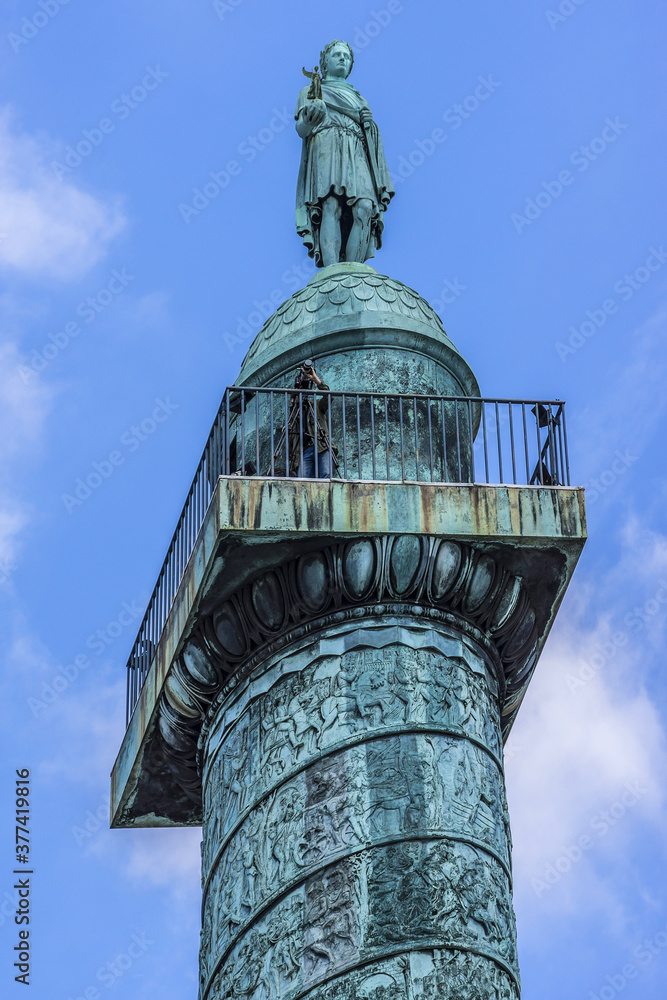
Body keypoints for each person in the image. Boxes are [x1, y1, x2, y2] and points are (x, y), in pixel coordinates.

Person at [295, 39, 394, 268]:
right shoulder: (311, 91)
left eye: (346, 57)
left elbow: (369, 132)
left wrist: (369, 126)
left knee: (365, 207)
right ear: (325, 63)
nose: (342, 58)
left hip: (356, 147)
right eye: (337, 55)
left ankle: (354, 268)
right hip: (327, 143)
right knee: (331, 204)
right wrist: (310, 119)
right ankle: (333, 270)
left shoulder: (360, 100)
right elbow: (301, 129)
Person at [288, 362, 334, 478]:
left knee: (326, 475)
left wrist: (315, 380)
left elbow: (329, 397)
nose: (300, 397)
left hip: (321, 445)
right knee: (302, 481)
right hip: (304, 451)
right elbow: (290, 445)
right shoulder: (293, 417)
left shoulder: (316, 406)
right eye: (296, 396)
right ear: (292, 400)